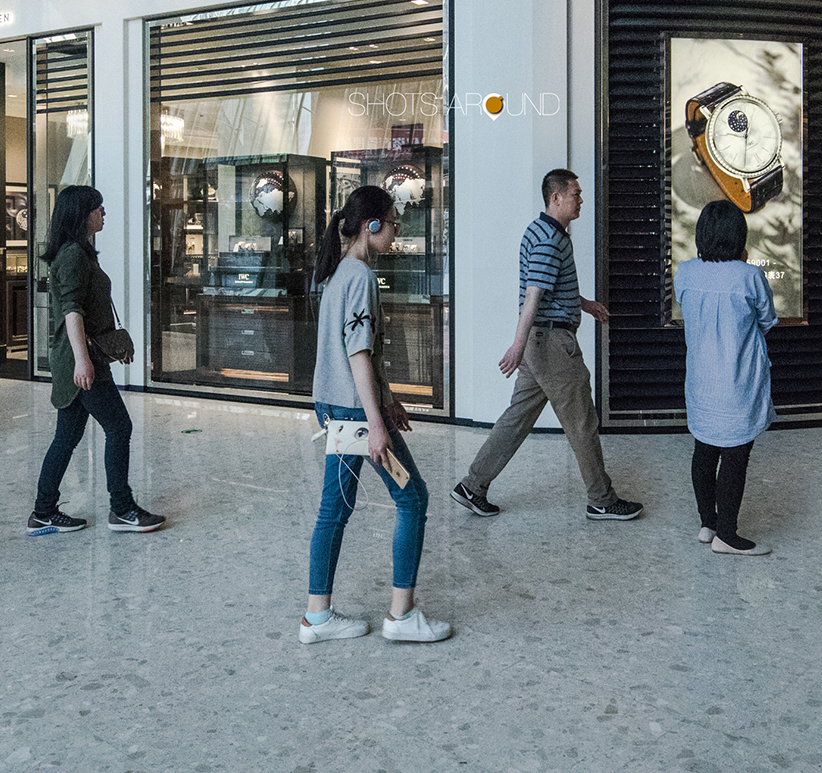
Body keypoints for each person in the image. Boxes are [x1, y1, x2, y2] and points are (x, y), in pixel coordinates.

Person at [452, 169, 643, 521]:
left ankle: (472, 485)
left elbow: (547, 285)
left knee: (516, 420)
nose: (580, 199)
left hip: (540, 344)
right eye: (575, 194)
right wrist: (516, 344)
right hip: (551, 344)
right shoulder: (550, 239)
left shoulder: (541, 231)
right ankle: (601, 499)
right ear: (555, 197)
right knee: (582, 421)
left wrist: (583, 303)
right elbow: (534, 294)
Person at [301, 184, 447, 645]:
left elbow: (352, 351)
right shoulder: (360, 276)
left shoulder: (339, 272)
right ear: (373, 226)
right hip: (353, 414)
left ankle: (317, 617)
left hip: (337, 406)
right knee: (413, 498)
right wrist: (376, 422)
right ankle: (401, 617)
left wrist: (386, 399)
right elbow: (358, 353)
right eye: (393, 222)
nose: (398, 230)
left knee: (334, 511)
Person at [26, 185, 165, 536]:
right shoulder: (73, 254)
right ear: (81, 213)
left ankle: (43, 511)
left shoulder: (81, 253)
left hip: (78, 355)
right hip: (80, 358)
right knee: (119, 427)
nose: (104, 213)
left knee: (67, 437)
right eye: (98, 208)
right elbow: (71, 311)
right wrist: (83, 361)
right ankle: (121, 509)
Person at [675, 200, 779, 555]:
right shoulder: (750, 276)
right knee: (735, 455)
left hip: (701, 381)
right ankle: (728, 535)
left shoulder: (686, 272)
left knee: (703, 450)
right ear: (739, 236)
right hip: (737, 382)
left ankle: (708, 523)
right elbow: (768, 320)